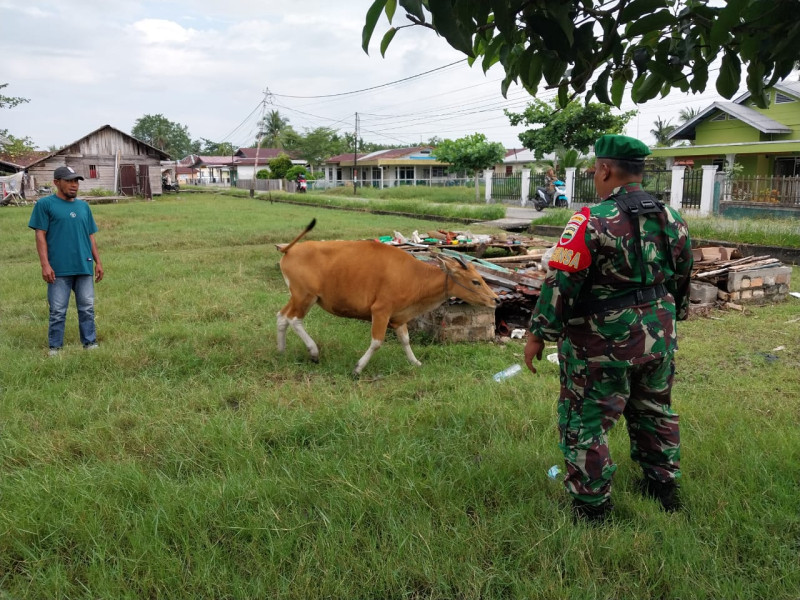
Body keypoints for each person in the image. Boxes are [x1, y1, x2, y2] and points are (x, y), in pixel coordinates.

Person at [524, 135, 693, 523]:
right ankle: (662, 487)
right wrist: (673, 317)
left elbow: (561, 281)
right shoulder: (672, 217)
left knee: (585, 420)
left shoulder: (591, 219)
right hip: (658, 337)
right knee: (654, 410)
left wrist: (538, 334)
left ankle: (592, 508)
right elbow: (683, 275)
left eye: (595, 170)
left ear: (604, 169)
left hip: (602, 345)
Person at [28, 166, 104, 356]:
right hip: (58, 268)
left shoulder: (83, 207)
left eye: (76, 181)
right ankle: (55, 348)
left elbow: (90, 236)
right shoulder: (45, 205)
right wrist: (45, 264)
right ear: (56, 182)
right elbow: (40, 235)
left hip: (83, 265)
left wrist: (98, 262)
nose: (74, 185)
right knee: (58, 311)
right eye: (69, 181)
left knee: (87, 308)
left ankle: (90, 344)